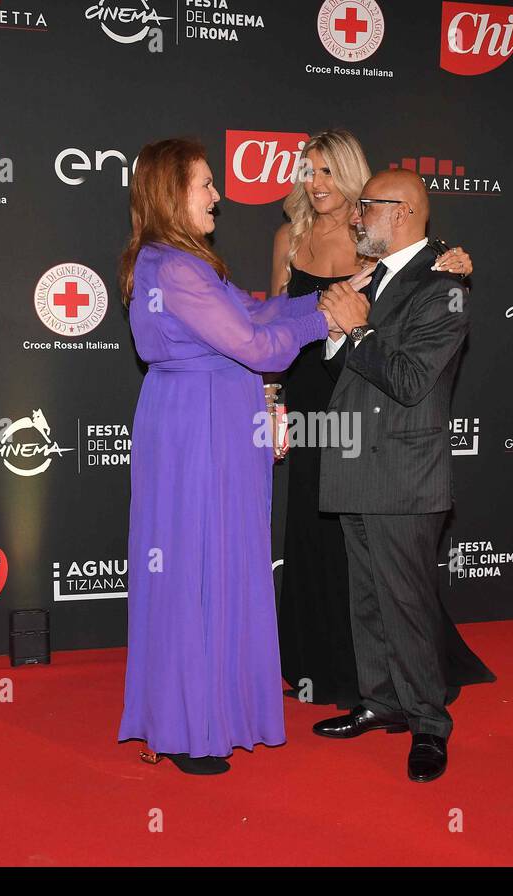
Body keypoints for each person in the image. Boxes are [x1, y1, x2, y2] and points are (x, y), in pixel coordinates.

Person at [115, 138, 362, 775]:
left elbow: (256, 310)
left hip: (206, 424)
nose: (218, 196)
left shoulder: (179, 262)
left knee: (207, 566)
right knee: (196, 566)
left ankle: (200, 712)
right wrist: (328, 322)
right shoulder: (175, 269)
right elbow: (256, 346)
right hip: (199, 430)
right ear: (173, 193)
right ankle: (185, 727)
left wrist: (332, 295)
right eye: (205, 185)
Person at [267, 129, 493, 711]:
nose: (312, 183)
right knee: (335, 554)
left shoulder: (393, 253)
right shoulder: (290, 238)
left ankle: (411, 705)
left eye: (324, 171)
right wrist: (273, 397)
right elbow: (276, 329)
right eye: (305, 171)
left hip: (375, 416)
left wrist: (453, 262)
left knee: (391, 574)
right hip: (316, 402)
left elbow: (416, 276)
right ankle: (351, 683)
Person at [312, 169, 471, 783]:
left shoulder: (447, 285)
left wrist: (357, 327)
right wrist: (339, 330)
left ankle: (430, 724)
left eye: (365, 207)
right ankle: (381, 700)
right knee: (369, 598)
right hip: (353, 461)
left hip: (403, 473)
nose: (355, 217)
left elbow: (407, 380)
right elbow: (350, 367)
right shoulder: (372, 278)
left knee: (406, 602)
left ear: (401, 212)